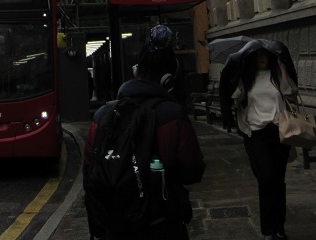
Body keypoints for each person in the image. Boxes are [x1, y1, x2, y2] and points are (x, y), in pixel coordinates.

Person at [83, 26, 205, 240]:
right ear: (169, 79)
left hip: (115, 226)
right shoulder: (172, 116)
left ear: (136, 71)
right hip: (161, 224)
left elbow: (89, 170)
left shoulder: (103, 115)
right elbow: (192, 170)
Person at [221, 46, 297, 240]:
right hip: (256, 133)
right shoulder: (247, 78)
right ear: (253, 59)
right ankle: (268, 230)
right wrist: (238, 74)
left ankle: (279, 227)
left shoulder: (276, 76)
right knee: (266, 178)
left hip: (278, 132)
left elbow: (290, 94)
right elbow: (234, 97)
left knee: (278, 181)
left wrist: (282, 69)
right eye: (258, 55)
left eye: (265, 55)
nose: (262, 58)